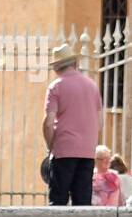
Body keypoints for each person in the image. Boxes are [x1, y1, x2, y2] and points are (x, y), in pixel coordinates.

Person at [42, 42, 102, 205]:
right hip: (87, 150)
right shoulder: (93, 86)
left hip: (64, 149)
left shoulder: (56, 87)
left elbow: (48, 123)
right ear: (75, 64)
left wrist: (51, 146)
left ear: (56, 68)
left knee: (58, 199)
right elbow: (100, 121)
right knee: (83, 200)